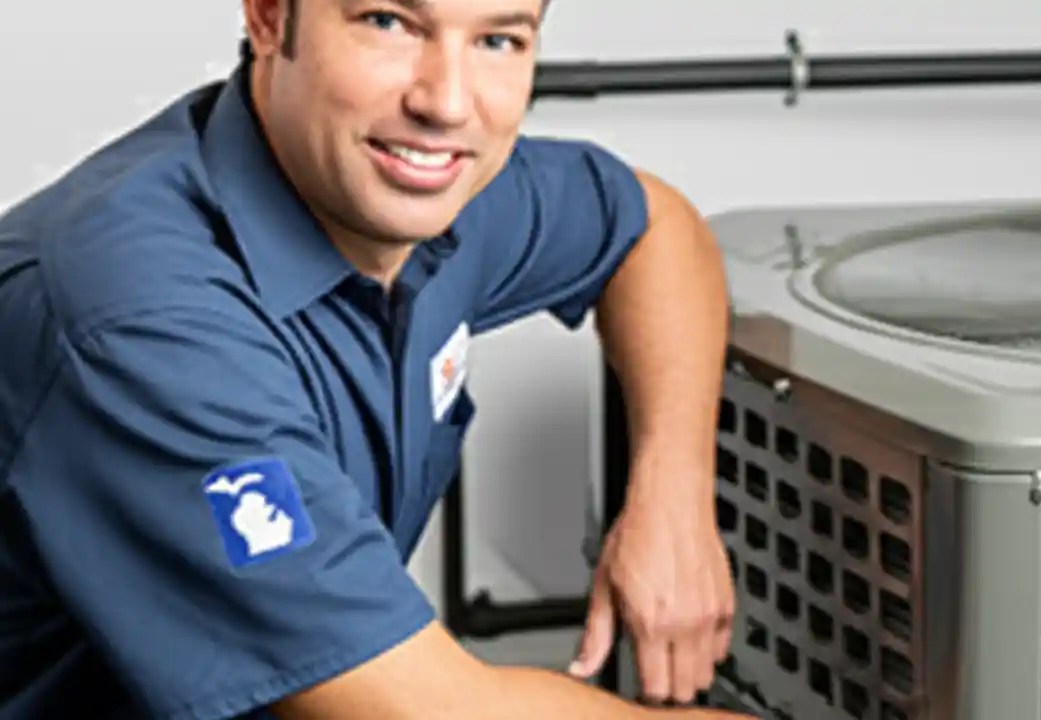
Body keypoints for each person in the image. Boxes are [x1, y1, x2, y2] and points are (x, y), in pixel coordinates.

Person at [0, 0, 754, 718]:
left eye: (499, 40)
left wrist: (672, 495)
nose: (446, 103)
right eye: (389, 22)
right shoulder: (137, 314)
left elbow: (654, 226)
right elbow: (424, 711)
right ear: (269, 16)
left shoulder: (431, 193)